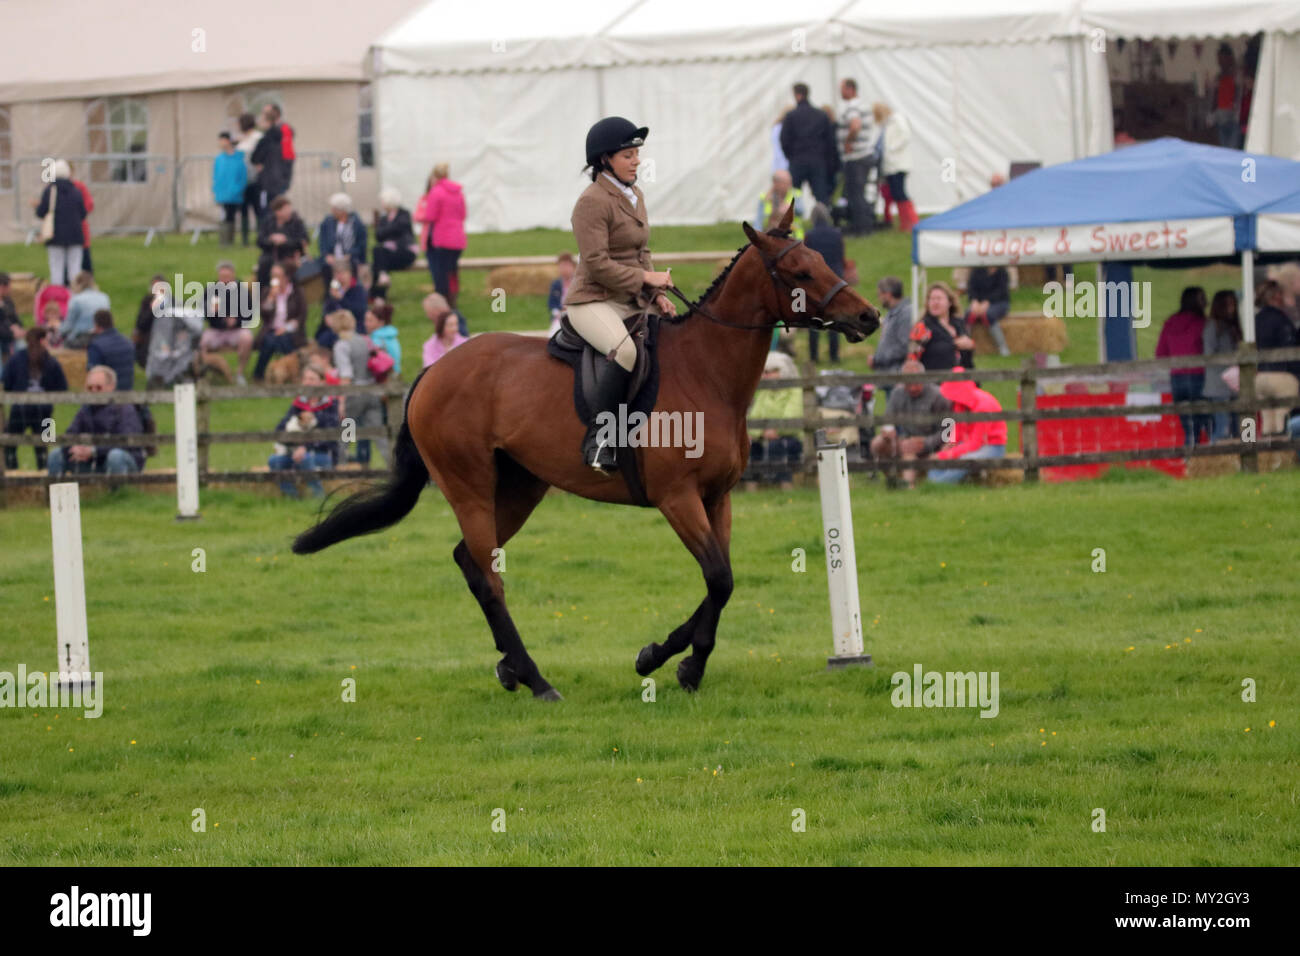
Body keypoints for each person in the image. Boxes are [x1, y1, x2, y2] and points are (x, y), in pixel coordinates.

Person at [565, 115, 677, 472]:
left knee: (677, 338)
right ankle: (599, 441)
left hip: (629, 296)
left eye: (636, 154)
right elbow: (596, 263)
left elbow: (641, 250)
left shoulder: (633, 194)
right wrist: (646, 277)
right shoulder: (592, 202)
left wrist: (656, 292)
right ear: (605, 160)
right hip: (593, 299)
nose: (636, 161)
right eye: (628, 155)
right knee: (626, 352)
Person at [47, 365, 144, 478]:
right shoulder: (85, 410)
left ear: (111, 387)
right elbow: (70, 434)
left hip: (121, 462)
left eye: (98, 388)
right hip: (92, 462)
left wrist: (94, 451)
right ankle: (56, 494)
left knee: (115, 456)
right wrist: (75, 448)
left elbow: (127, 443)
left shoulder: (125, 409)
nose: (93, 391)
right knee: (56, 455)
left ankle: (120, 494)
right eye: (90, 388)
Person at [871, 358, 951, 488]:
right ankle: (891, 477)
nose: (912, 388)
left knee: (909, 452)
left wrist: (925, 443)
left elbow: (949, 433)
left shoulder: (939, 396)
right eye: (908, 384)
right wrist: (888, 429)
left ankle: (908, 486)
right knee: (877, 443)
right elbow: (888, 417)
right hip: (903, 440)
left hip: (931, 444)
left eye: (916, 384)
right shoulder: (897, 393)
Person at [267, 364, 340, 498]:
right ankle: (293, 497)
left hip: (322, 454)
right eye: (305, 379)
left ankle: (319, 496)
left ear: (322, 382)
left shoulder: (331, 404)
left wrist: (305, 448)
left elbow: (330, 437)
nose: (307, 382)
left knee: (305, 459)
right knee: (273, 461)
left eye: (312, 379)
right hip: (295, 452)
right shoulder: (298, 404)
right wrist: (292, 445)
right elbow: (280, 428)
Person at [327, 310, 387, 466]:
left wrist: (341, 402)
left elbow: (346, 375)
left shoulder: (342, 345)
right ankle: (394, 468)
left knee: (346, 434)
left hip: (354, 395)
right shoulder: (365, 340)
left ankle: (339, 467)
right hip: (372, 392)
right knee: (379, 434)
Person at [3, 327, 67, 470]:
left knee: (9, 444)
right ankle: (44, 473)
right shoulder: (52, 361)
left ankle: (13, 473)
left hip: (19, 410)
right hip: (45, 412)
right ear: (42, 340)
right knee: (44, 447)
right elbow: (62, 387)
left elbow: (6, 383)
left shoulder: (16, 359)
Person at [1155, 286, 1209, 447]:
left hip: (1177, 378)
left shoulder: (1170, 323)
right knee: (1207, 421)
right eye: (1203, 298)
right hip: (1199, 376)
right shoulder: (1203, 323)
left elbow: (1160, 354)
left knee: (1188, 426)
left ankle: (1190, 459)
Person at [927, 377, 1008, 483]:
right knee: (947, 460)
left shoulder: (983, 407)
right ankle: (936, 482)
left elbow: (975, 443)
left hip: (992, 446)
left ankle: (938, 484)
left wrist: (945, 455)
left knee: (964, 460)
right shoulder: (959, 404)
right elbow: (957, 428)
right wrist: (950, 444)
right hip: (968, 443)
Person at [746, 352, 803, 489]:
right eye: (765, 372)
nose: (768, 375)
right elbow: (752, 419)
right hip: (765, 435)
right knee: (750, 446)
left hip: (791, 437)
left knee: (777, 446)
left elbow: (792, 416)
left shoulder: (794, 391)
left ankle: (785, 486)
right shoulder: (764, 393)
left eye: (773, 371)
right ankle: (752, 486)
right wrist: (761, 433)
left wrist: (776, 430)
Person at [415, 163, 467, 309]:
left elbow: (431, 215)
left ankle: (442, 302)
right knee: (452, 271)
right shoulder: (458, 191)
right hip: (457, 239)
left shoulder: (436, 192)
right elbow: (463, 214)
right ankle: (453, 299)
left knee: (440, 273)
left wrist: (419, 216)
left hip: (441, 239)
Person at [1254, 280, 1300, 436]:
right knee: (1282, 418)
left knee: (1267, 421)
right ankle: (1282, 453)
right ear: (1275, 296)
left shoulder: (1256, 320)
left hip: (1260, 376)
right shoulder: (1281, 320)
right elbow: (1290, 350)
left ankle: (1267, 454)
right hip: (1281, 375)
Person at [199, 260, 254, 385]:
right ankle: (203, 372)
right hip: (216, 330)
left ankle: (239, 373)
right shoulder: (211, 290)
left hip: (236, 330)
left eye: (227, 277)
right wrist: (215, 314)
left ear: (233, 276)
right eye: (222, 277)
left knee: (247, 338)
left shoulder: (242, 290)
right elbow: (203, 314)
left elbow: (249, 315)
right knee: (200, 342)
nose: (224, 281)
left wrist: (236, 321)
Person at [803, 203, 844, 364]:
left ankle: (814, 356)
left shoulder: (810, 235)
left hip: (815, 282)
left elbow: (805, 259)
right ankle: (834, 355)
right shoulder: (837, 234)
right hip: (834, 280)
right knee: (834, 319)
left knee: (814, 319)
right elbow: (841, 256)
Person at [779, 83, 834, 205]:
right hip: (817, 160)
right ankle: (823, 221)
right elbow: (830, 141)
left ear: (797, 95)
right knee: (820, 194)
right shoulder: (821, 115)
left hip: (797, 160)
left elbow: (784, 139)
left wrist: (791, 156)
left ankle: (789, 220)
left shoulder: (791, 116)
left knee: (792, 194)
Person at [34, 159, 86, 287]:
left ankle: (58, 298)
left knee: (56, 269)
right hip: (75, 235)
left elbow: (41, 212)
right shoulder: (76, 191)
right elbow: (83, 213)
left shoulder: (49, 191)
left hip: (55, 235)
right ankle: (75, 296)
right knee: (75, 269)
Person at [252, 262, 306, 381]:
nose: (275, 279)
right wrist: (271, 299)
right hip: (272, 330)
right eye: (273, 276)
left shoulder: (297, 292)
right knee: (270, 340)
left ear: (286, 277)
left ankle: (261, 373)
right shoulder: (267, 291)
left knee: (279, 340)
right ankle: (288, 373)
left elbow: (302, 316)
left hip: (291, 330)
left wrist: (286, 328)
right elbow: (263, 315)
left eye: (278, 276)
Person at [837, 78, 876, 237]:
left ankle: (860, 228)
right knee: (860, 192)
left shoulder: (853, 106)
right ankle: (866, 224)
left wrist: (848, 142)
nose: (840, 92)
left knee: (855, 193)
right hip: (864, 155)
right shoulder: (864, 105)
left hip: (855, 157)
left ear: (850, 89)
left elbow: (855, 125)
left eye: (842, 89)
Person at [145, 286, 204, 388]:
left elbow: (194, 329)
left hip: (180, 349)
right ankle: (160, 380)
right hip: (164, 349)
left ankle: (173, 379)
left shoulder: (179, 313)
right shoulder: (159, 318)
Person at [1202, 290, 1242, 441]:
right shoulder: (1213, 326)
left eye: (1233, 304)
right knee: (1222, 427)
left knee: (1239, 425)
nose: (1232, 308)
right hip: (1219, 384)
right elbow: (1209, 354)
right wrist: (1231, 362)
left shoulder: (1232, 327)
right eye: (1228, 304)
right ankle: (1214, 457)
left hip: (1235, 384)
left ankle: (1243, 455)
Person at [910, 283, 974, 370]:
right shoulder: (922, 327)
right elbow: (911, 358)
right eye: (932, 299)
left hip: (963, 378)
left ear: (950, 302)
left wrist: (970, 344)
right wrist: (954, 344)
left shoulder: (959, 323)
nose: (935, 302)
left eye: (939, 298)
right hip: (934, 380)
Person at [873, 102, 916, 233]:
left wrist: (892, 148)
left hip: (898, 164)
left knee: (900, 193)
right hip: (891, 166)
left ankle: (912, 222)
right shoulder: (888, 124)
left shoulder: (897, 119)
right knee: (896, 194)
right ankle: (905, 223)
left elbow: (906, 135)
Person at [255, 196, 310, 286]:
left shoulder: (296, 222)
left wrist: (285, 240)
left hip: (290, 255)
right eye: (286, 209)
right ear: (277, 211)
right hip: (270, 255)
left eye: (289, 209)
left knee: (287, 267)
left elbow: (303, 240)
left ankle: (289, 294)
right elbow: (259, 241)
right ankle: (262, 295)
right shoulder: (268, 222)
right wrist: (271, 239)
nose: (289, 211)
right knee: (263, 265)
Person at [371, 187, 416, 296]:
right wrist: (390, 232)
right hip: (389, 254)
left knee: (378, 261)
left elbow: (398, 229)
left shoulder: (404, 214)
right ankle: (379, 294)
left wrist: (387, 232)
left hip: (405, 252)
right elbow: (378, 235)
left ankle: (377, 296)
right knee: (377, 256)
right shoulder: (384, 218)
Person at [318, 192, 368, 287]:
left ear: (343, 210)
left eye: (335, 209)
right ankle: (331, 293)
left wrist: (350, 254)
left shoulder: (356, 223)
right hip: (332, 257)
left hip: (350, 257)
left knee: (350, 267)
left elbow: (361, 245)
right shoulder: (327, 222)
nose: (332, 211)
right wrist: (327, 255)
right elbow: (322, 242)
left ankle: (350, 291)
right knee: (326, 267)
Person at [316, 261, 367, 349]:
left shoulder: (358, 290)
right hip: (334, 326)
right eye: (336, 273)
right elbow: (327, 309)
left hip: (352, 326)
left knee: (332, 339)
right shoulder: (334, 289)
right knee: (321, 338)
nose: (339, 277)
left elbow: (359, 311)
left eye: (342, 273)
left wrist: (341, 299)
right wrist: (327, 316)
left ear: (350, 274)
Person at [251, 102, 293, 206]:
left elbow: (255, 158)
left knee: (267, 209)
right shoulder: (277, 135)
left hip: (269, 180)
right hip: (278, 178)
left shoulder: (269, 138)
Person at [870, 276, 913, 375]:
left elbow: (904, 346)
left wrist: (877, 359)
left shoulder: (906, 313)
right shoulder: (893, 312)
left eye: (879, 295)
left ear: (888, 295)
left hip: (897, 375)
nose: (879, 298)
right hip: (887, 374)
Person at [965, 266, 1012, 357]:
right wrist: (974, 301)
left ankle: (1003, 347)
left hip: (999, 303)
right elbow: (971, 289)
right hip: (979, 303)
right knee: (968, 314)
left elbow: (1001, 291)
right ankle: (966, 347)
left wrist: (987, 302)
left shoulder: (1003, 272)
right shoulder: (977, 271)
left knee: (988, 315)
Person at [212, 132, 247, 247]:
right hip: (222, 193)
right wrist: (216, 190)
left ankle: (228, 241)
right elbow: (216, 176)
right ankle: (224, 241)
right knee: (225, 216)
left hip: (234, 193)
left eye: (223, 140)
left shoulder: (239, 159)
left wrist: (237, 189)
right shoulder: (219, 159)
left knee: (230, 215)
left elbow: (242, 176)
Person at [86, 310, 135, 392]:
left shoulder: (96, 346)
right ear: (112, 322)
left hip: (106, 394)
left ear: (96, 325)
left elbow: (93, 373)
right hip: (127, 392)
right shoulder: (128, 343)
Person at [59, 271, 110, 348]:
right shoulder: (104, 297)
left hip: (82, 339)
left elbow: (68, 327)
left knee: (62, 345)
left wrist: (59, 330)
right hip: (102, 336)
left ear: (76, 284)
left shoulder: (76, 300)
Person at [235, 112, 263, 246]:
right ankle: (245, 239)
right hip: (242, 179)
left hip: (256, 178)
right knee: (244, 209)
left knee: (258, 208)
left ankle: (261, 237)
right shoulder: (241, 139)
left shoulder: (257, 137)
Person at [754, 169, 807, 240]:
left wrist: (791, 209)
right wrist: (757, 238)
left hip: (794, 237)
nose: (790, 185)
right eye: (786, 183)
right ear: (775, 183)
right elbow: (758, 221)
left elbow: (802, 212)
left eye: (790, 182)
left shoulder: (796, 194)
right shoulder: (765, 197)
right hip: (770, 235)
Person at [133, 274, 167, 370]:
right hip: (149, 335)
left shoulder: (172, 301)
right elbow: (140, 324)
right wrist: (152, 310)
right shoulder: (147, 301)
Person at [67, 162, 95, 275]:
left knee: (83, 264)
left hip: (78, 230)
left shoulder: (79, 187)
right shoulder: (78, 187)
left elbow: (89, 205)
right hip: (76, 232)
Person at [364, 301, 400, 370]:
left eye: (370, 321)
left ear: (381, 323)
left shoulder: (377, 341)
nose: (366, 324)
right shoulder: (391, 336)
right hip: (395, 374)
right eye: (366, 320)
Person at [548, 252, 577, 335]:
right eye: (562, 266)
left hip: (575, 316)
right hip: (560, 317)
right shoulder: (556, 284)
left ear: (573, 267)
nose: (564, 269)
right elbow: (552, 303)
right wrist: (558, 313)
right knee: (552, 335)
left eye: (567, 266)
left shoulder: (578, 284)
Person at [0, 273, 24, 363]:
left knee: (22, 348)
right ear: (2, 287)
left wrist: (19, 328)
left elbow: (16, 318)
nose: (10, 289)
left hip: (10, 335)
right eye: (9, 286)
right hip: (5, 335)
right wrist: (11, 333)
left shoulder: (8, 301)